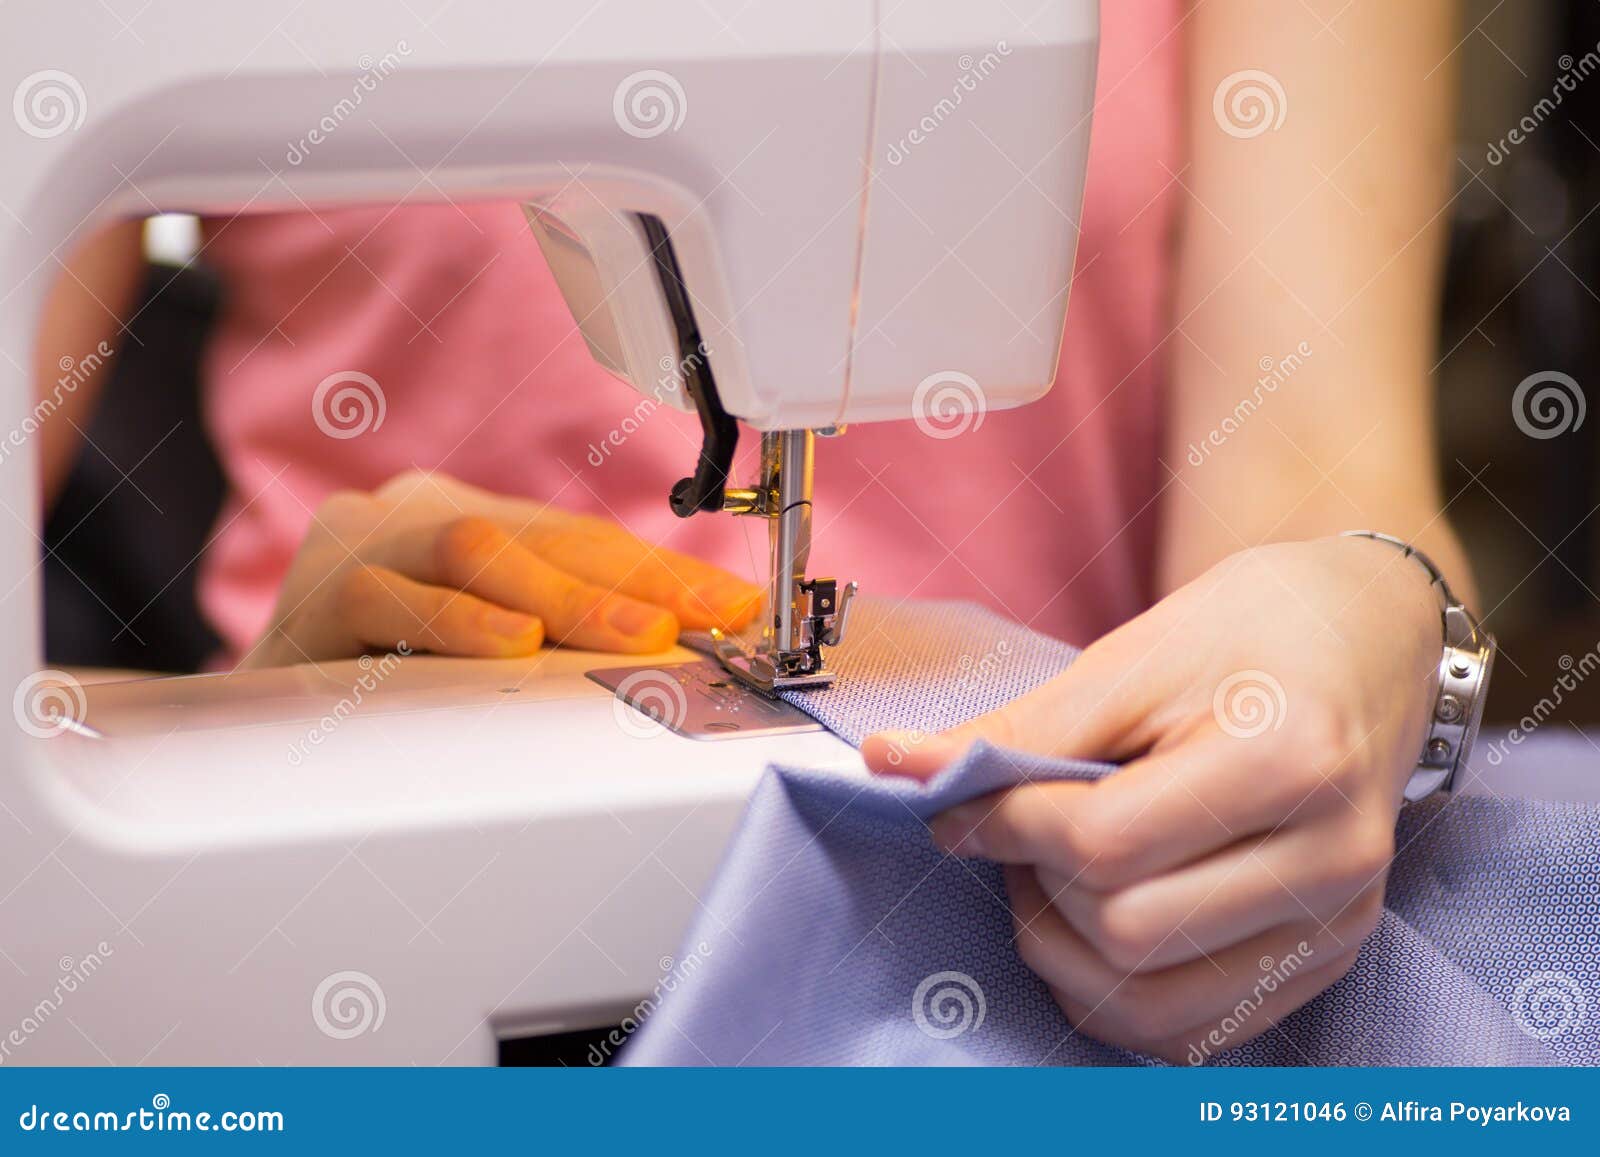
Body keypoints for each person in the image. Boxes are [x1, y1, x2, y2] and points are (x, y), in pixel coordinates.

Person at [39, 1, 1468, 1062]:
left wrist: (1367, 615)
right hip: (322, 942)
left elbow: (1316, 479)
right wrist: (229, 740)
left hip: (1034, 934)